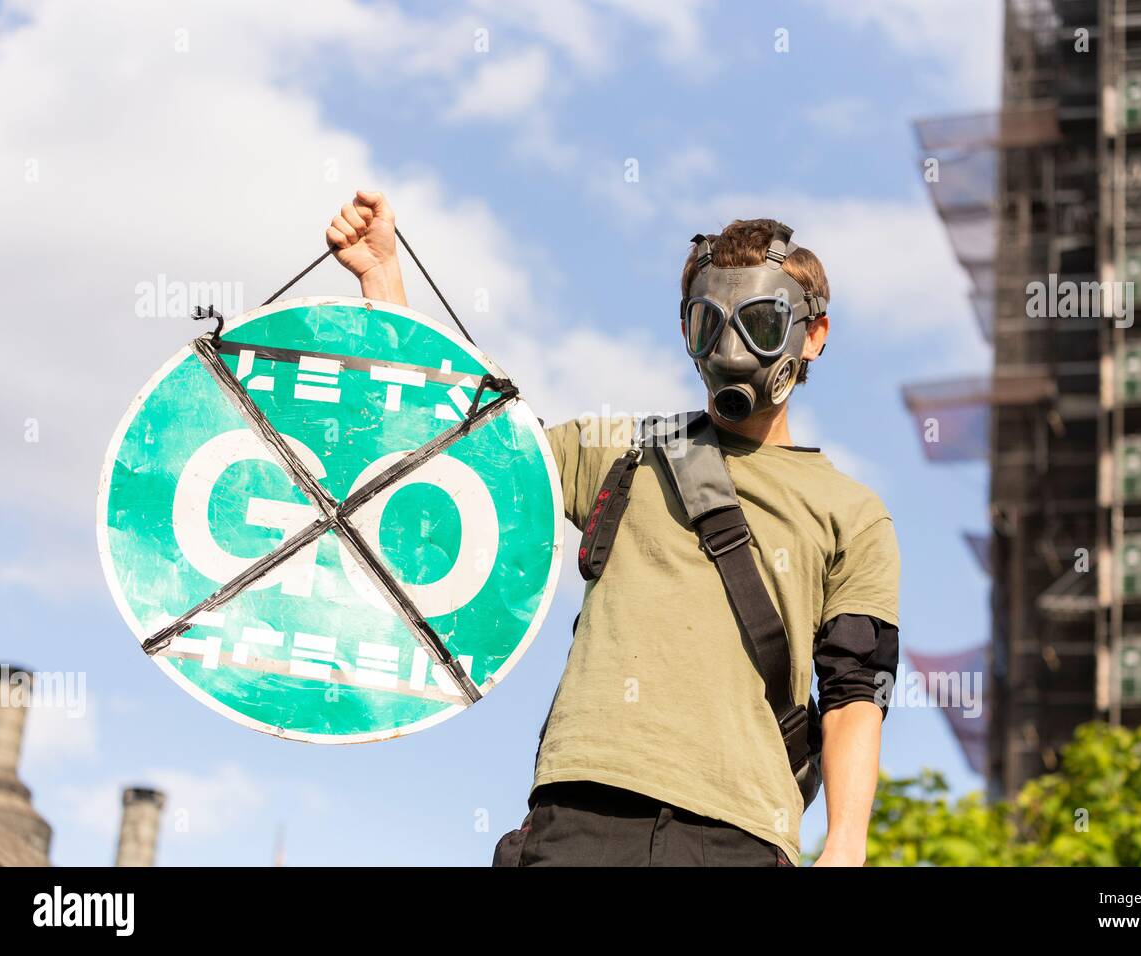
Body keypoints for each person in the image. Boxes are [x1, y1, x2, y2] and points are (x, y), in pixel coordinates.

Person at [328, 190, 901, 867]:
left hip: (742, 831)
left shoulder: (852, 514)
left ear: (814, 334)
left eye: (761, 323)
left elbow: (854, 690)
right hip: (582, 811)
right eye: (709, 323)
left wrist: (846, 842)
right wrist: (384, 282)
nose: (732, 347)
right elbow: (458, 466)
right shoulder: (619, 453)